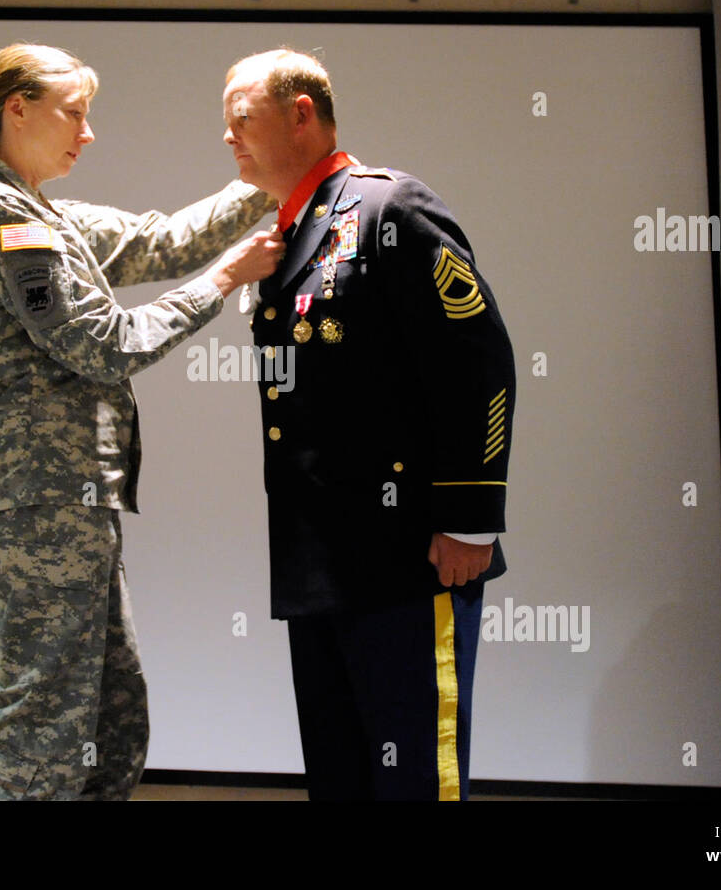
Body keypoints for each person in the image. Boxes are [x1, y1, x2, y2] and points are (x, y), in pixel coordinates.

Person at [0, 43, 283, 800]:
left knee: (109, 722)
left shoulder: (43, 215)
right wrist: (223, 281)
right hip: (38, 493)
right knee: (43, 727)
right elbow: (98, 341)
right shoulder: (2, 221)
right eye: (75, 113)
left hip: (73, 494)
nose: (87, 134)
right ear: (16, 109)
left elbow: (162, 240)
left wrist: (263, 178)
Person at [221, 48, 516, 800]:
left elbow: (479, 362)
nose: (229, 137)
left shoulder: (388, 207)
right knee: (342, 781)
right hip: (320, 568)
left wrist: (470, 519)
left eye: (242, 119)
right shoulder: (289, 240)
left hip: (408, 558)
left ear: (301, 114)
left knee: (417, 781)